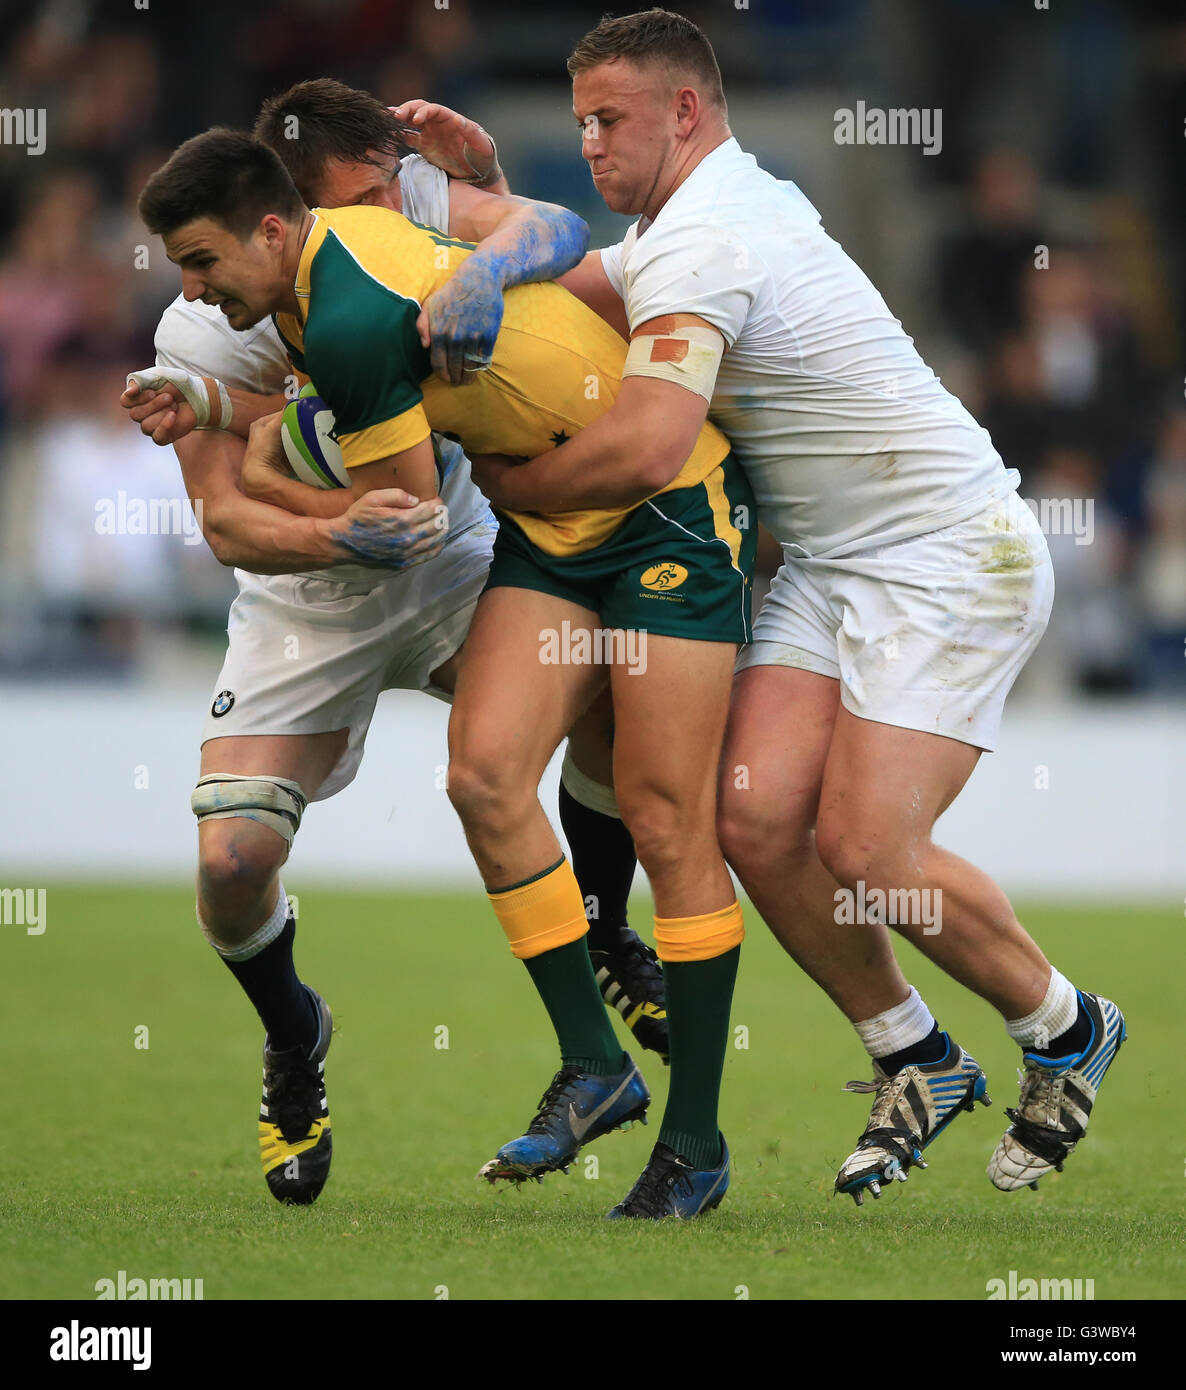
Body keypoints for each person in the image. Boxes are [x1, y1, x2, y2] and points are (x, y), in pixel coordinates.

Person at [466, 7, 1125, 1203]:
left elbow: (650, 441)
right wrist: (465, 202)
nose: (593, 146)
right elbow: (567, 278)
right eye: (578, 124)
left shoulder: (709, 233)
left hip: (947, 552)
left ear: (684, 111)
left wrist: (507, 481)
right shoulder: (706, 213)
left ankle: (1066, 1025)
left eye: (608, 121)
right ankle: (914, 1054)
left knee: (869, 847)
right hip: (832, 559)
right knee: (752, 817)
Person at [135, 122, 754, 1220]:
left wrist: (488, 239)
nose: (190, 284)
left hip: (594, 522)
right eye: (184, 267)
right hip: (350, 583)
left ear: (284, 217)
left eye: (198, 259)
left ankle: (684, 1101)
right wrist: (238, 422)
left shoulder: (371, 259)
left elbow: (408, 482)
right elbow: (240, 509)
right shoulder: (223, 313)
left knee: (658, 800)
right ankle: (310, 1036)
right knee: (250, 853)